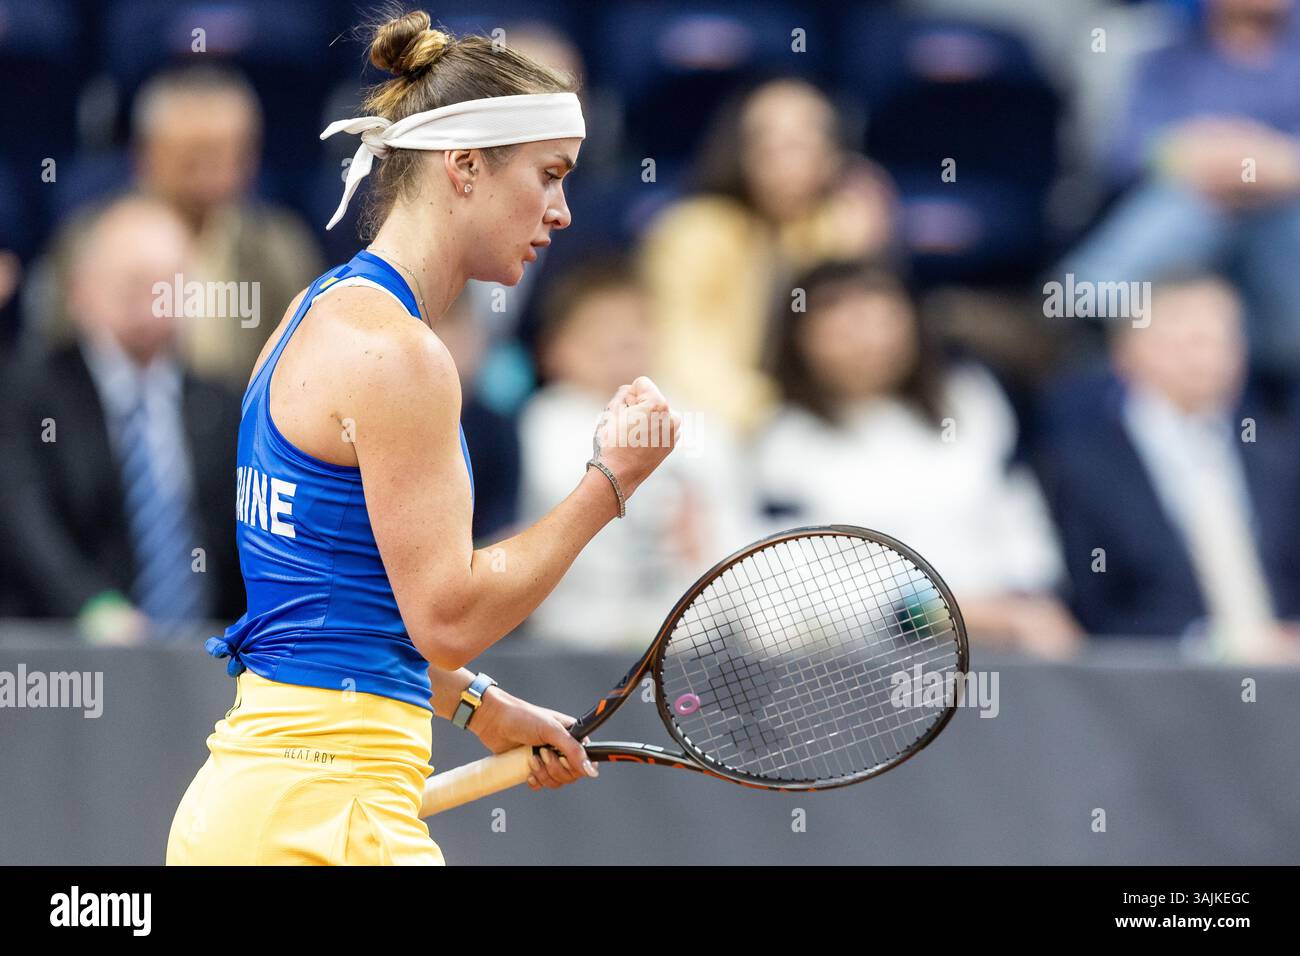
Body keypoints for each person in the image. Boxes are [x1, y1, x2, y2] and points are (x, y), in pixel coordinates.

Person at [165, 12, 681, 866]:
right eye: (548, 177)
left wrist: (481, 707)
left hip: (257, 804)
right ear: (466, 167)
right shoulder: (401, 358)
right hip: (325, 818)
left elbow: (338, 607)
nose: (560, 213)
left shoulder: (313, 314)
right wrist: (611, 483)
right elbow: (448, 616)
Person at [751, 259, 1082, 658]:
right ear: (802, 341)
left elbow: (1021, 521)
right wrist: (943, 614)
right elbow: (792, 590)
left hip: (1006, 651)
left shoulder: (972, 398)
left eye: (882, 322)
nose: (869, 343)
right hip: (868, 672)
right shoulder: (782, 442)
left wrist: (1028, 600)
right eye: (844, 330)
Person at [0, 195, 243, 640]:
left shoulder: (224, 405)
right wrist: (93, 608)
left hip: (208, 661)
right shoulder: (27, 395)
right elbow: (24, 520)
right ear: (82, 290)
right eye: (134, 283)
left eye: (168, 285)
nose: (153, 302)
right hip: (67, 657)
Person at [1040, 274, 1300, 661]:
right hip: (1159, 687)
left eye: (1222, 341)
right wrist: (1217, 646)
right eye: (1187, 342)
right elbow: (1090, 609)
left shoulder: (1277, 453)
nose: (1207, 359)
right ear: (1127, 351)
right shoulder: (1080, 466)